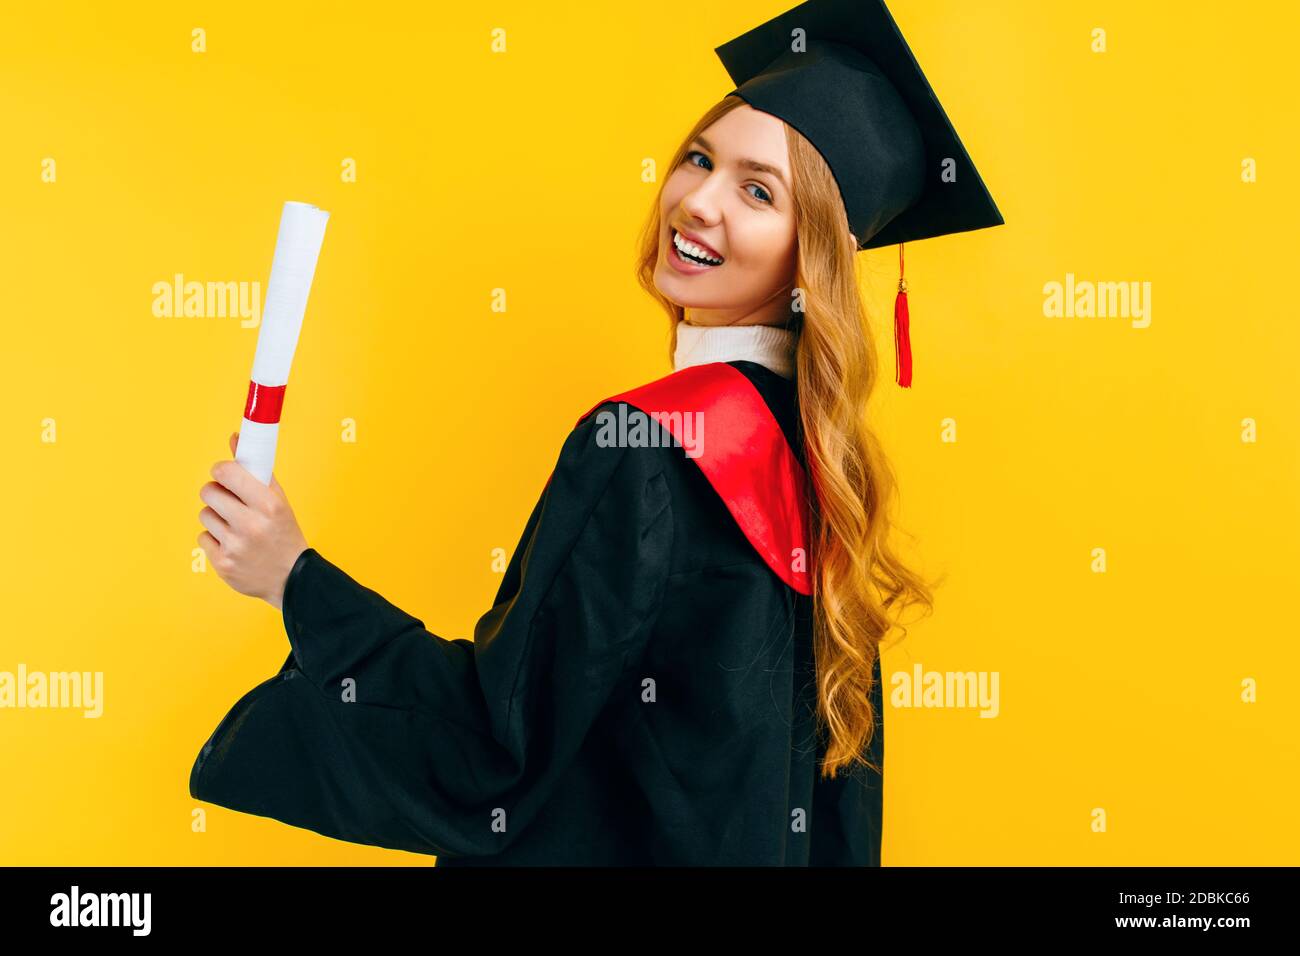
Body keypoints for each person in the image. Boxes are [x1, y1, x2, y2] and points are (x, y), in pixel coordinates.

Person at [190, 0, 1004, 866]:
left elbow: (497, 750)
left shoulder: (641, 450)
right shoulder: (824, 477)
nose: (696, 201)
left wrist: (294, 581)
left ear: (813, 256)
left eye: (757, 190)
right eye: (700, 158)